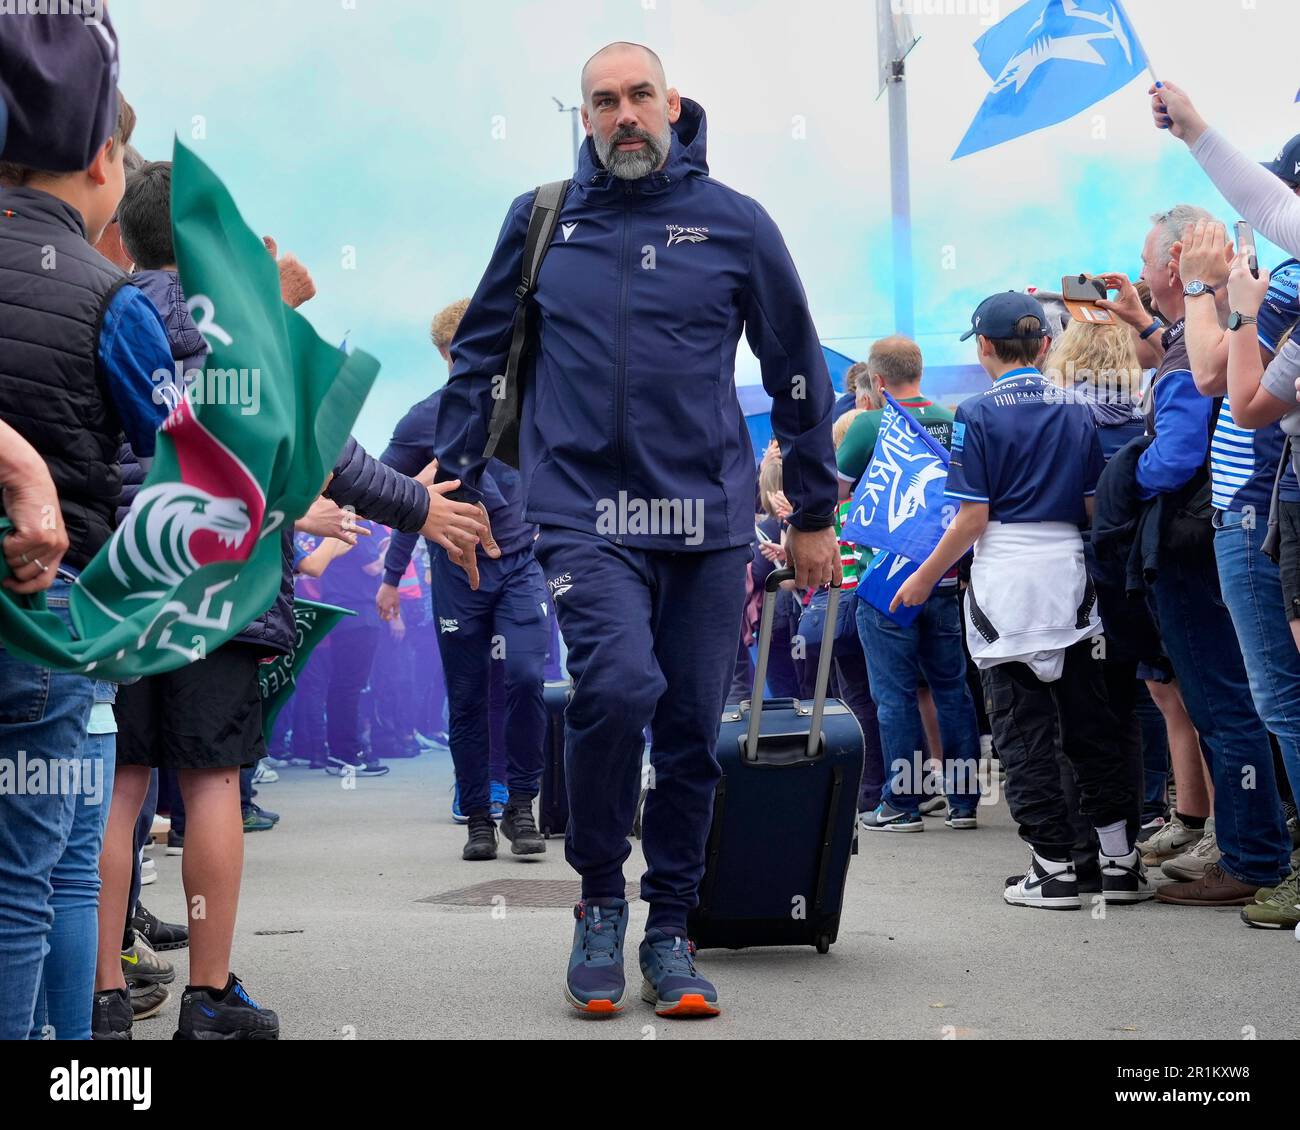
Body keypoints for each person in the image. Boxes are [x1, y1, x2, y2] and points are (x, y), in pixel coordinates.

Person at [432, 42, 839, 1017]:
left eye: (638, 96)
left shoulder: (734, 223)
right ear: (583, 117)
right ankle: (598, 899)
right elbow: (480, 352)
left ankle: (669, 930)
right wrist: (456, 483)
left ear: (672, 104)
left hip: (705, 521)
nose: (623, 114)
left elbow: (795, 366)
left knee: (693, 732)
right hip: (582, 515)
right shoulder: (541, 221)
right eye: (603, 100)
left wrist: (816, 509)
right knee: (616, 689)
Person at [0, 91, 172, 1042]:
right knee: (37, 878)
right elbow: (195, 466)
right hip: (49, 615)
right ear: (103, 162)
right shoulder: (110, 297)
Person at [894, 292, 1151, 909]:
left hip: (1006, 578)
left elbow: (972, 516)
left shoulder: (976, 412)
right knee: (1092, 725)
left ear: (984, 346)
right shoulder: (1079, 409)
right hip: (1070, 571)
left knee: (1022, 729)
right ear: (1044, 345)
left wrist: (925, 576)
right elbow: (1094, 505)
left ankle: (1054, 869)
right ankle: (1119, 861)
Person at [1101, 207, 1293, 909]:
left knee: (1227, 703)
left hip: (1200, 539)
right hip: (1227, 527)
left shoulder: (1217, 327)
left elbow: (1180, 448)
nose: (1144, 275)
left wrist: (1116, 485)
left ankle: (1252, 856)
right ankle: (1251, 845)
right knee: (1241, 700)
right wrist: (1143, 324)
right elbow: (1187, 354)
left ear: (1178, 259)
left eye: (1150, 263)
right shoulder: (1196, 329)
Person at [379, 299, 548, 859]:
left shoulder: (528, 402)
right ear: (449, 354)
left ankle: (522, 805)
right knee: (469, 695)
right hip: (457, 573)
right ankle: (478, 814)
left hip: (521, 564)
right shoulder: (423, 418)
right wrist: (392, 570)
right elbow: (385, 491)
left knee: (525, 677)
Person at [841, 336, 982, 833]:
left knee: (894, 695)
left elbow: (835, 489)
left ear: (877, 381)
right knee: (952, 689)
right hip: (944, 575)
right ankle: (964, 804)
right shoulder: (955, 420)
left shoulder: (869, 424)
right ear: (919, 370)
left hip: (885, 580)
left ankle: (903, 804)